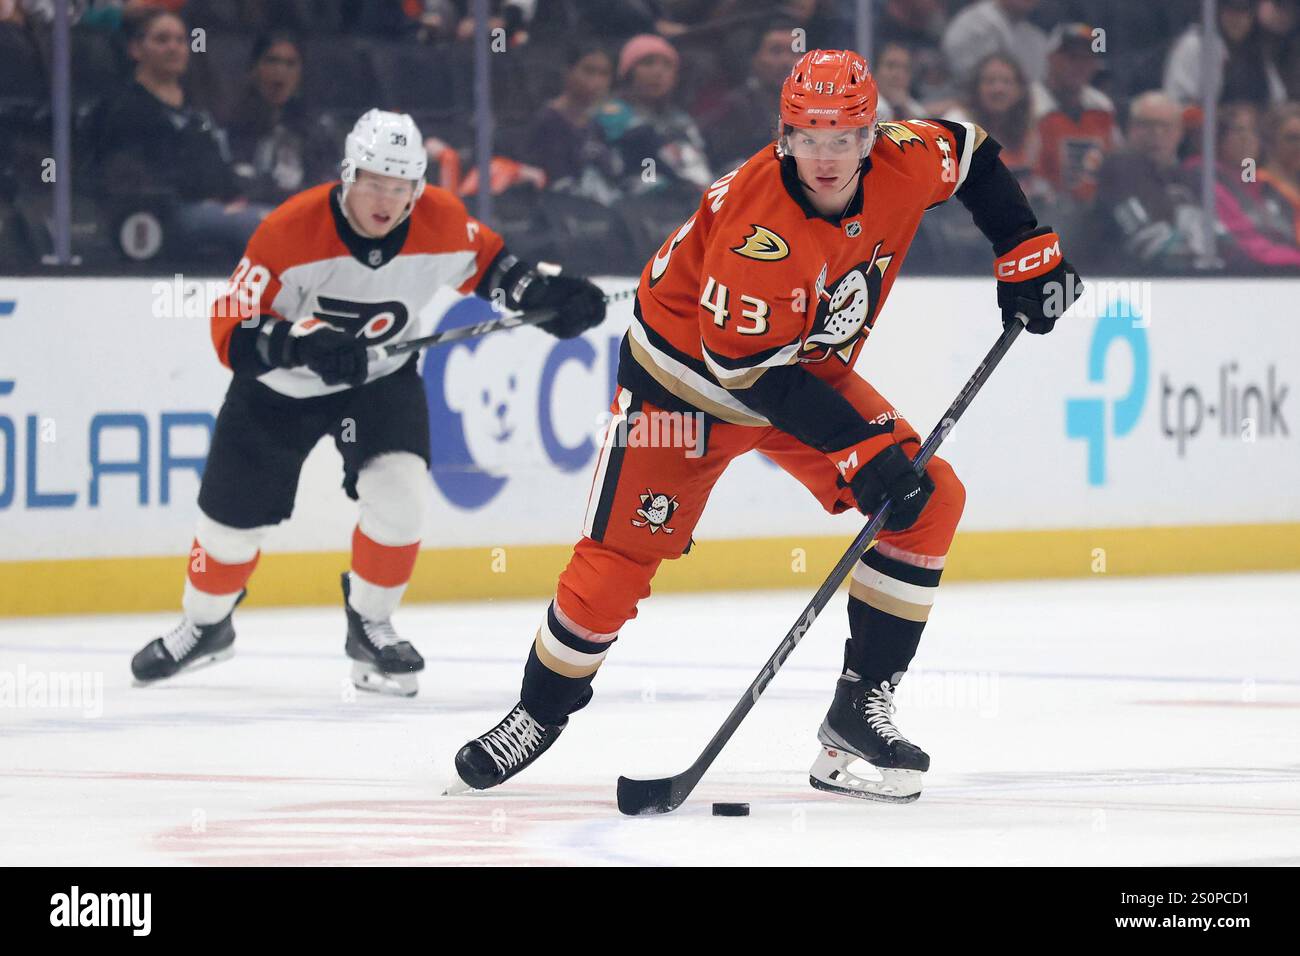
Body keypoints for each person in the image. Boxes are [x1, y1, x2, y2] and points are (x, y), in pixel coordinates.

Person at [450, 50, 1083, 803]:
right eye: (807, 137)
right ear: (784, 136)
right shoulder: (760, 231)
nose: (825, 155)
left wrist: (1024, 250)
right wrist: (862, 450)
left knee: (927, 498)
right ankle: (537, 713)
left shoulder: (904, 159)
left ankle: (857, 711)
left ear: (872, 136)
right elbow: (747, 375)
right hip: (685, 392)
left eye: (842, 137)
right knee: (618, 562)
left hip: (800, 367)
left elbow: (971, 151)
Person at [129, 109, 608, 697]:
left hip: (380, 382)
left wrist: (548, 296)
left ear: (418, 190)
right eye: (374, 182)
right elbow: (231, 329)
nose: (385, 199)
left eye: (400, 186)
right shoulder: (289, 230)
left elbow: (490, 267)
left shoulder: (441, 220)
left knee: (401, 496)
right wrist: (301, 344)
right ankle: (205, 626)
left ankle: (370, 626)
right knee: (229, 528)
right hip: (279, 391)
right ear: (348, 176)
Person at [1089, 91, 1209, 272]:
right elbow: (1146, 241)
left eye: (1166, 126)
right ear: (1130, 128)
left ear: (1180, 133)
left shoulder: (1188, 178)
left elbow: (1214, 235)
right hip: (1128, 278)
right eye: (1147, 125)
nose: (1157, 133)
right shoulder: (1119, 169)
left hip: (1186, 279)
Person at [225, 31, 339, 207]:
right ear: (254, 68)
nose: (280, 71)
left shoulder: (317, 128)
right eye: (272, 61)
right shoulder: (234, 124)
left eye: (290, 64)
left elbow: (327, 181)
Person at [596, 33, 712, 195]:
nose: (658, 72)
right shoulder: (613, 113)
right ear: (628, 73)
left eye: (667, 66)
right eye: (648, 63)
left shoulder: (681, 119)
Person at [1187, 103, 1300, 268]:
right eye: (1239, 130)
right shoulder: (1204, 176)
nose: (1248, 138)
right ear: (1217, 137)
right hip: (1247, 271)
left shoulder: (1252, 176)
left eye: (1254, 131)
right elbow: (1244, 239)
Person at [523, 42, 622, 203]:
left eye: (604, 74)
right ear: (568, 72)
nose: (596, 81)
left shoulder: (597, 125)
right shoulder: (547, 122)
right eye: (589, 71)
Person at [1031, 23, 1117, 205]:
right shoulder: (1027, 105)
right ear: (1051, 59)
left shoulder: (1102, 107)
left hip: (1096, 210)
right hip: (1040, 209)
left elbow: (1115, 163)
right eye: (1071, 57)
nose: (1079, 65)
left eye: (1087, 59)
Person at [697, 23, 801, 172]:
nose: (786, 61)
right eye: (776, 51)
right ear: (754, 58)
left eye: (795, 52)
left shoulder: (816, 109)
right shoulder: (729, 111)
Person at [1164, 0, 1288, 108]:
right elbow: (1179, 103)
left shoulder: (1257, 50)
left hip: (1254, 126)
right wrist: (1224, 115)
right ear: (1218, 12)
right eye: (1231, 11)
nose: (1237, 19)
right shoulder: (1195, 44)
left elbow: (1278, 100)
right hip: (1205, 126)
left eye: (1244, 12)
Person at [941, 0, 1049, 90]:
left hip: (1023, 106)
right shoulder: (972, 24)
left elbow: (1036, 85)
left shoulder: (1035, 36)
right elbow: (970, 84)